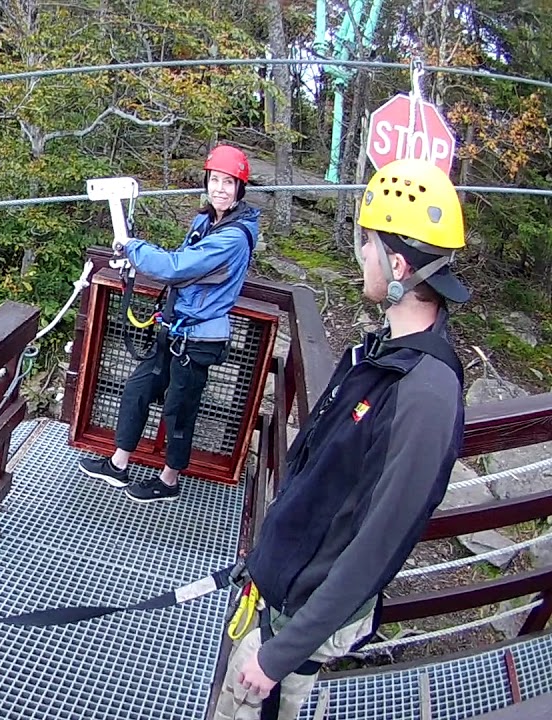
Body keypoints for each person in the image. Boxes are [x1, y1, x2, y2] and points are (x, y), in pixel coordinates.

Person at [213, 157, 470, 720]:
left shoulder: (424, 396)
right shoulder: (384, 356)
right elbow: (322, 478)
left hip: (297, 630)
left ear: (397, 264)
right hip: (284, 595)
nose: (360, 255)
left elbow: (379, 546)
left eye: (366, 244)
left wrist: (281, 654)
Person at [79, 144, 260, 502]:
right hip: (176, 327)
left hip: (199, 339)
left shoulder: (234, 237)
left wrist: (133, 247)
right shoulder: (205, 222)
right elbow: (181, 264)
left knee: (179, 410)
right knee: (138, 389)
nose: (220, 188)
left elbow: (176, 268)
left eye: (228, 182)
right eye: (215, 180)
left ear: (240, 189)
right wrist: (138, 255)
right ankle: (118, 463)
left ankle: (169, 480)